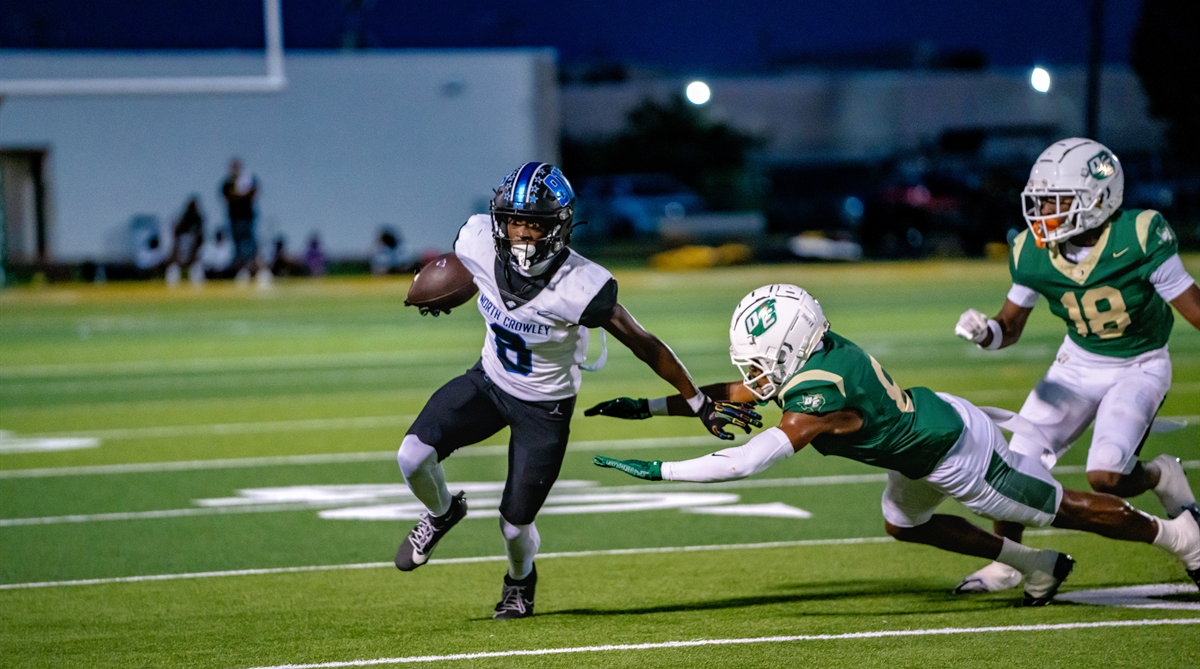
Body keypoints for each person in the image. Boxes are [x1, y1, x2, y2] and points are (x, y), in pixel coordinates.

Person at [589, 284, 1200, 605]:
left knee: (1065, 508)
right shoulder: (814, 356)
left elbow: (749, 458)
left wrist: (664, 470)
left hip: (955, 453)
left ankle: (1181, 538)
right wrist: (648, 407)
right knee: (904, 524)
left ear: (791, 347)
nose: (752, 372)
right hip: (919, 440)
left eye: (760, 360)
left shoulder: (820, 392)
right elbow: (738, 393)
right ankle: (1035, 566)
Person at [393, 162, 758, 619]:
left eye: (534, 224)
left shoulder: (584, 286)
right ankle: (444, 512)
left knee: (513, 525)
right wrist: (440, 291)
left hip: (543, 408)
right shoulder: (475, 238)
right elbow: (469, 274)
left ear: (559, 226)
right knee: (411, 456)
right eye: (514, 221)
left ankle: (520, 582)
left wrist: (698, 401)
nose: (521, 234)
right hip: (486, 381)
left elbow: (645, 344)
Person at [951, 138, 1200, 593]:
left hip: (1138, 364)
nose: (1044, 211)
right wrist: (984, 332)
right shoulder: (1031, 251)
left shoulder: (1138, 235)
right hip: (1075, 365)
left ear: (1099, 199)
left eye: (1057, 201)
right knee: (1013, 463)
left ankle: (1159, 474)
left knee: (1106, 476)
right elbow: (1009, 327)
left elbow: (1194, 309)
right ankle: (1013, 562)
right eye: (1041, 200)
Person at [220, 158, 260, 279]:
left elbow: (254, 193)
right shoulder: (228, 182)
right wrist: (240, 196)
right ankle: (241, 270)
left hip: (247, 217)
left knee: (250, 243)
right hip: (234, 218)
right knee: (237, 245)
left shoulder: (248, 179)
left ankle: (255, 269)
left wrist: (239, 196)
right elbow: (226, 198)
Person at [166, 197, 205, 286]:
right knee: (174, 264)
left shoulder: (198, 220)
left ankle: (197, 283)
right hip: (182, 243)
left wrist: (196, 252)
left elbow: (200, 237)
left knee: (196, 263)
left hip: (193, 244)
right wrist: (175, 251)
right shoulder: (182, 219)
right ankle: (172, 284)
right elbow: (175, 234)